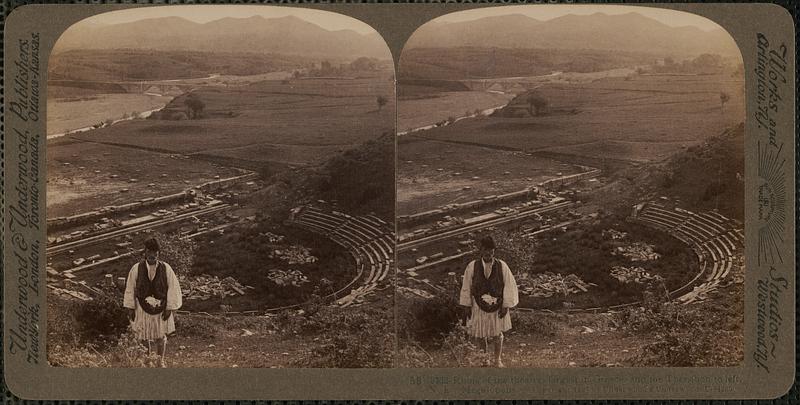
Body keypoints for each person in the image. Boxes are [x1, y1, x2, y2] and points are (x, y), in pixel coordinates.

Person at [459, 235, 519, 367]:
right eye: (485, 250)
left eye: (491, 250)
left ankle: (497, 360)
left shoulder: (502, 266)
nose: (488, 253)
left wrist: (506, 305)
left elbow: (509, 285)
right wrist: (467, 305)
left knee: (497, 333)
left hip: (496, 305)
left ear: (494, 251)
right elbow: (466, 286)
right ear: (481, 250)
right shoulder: (472, 266)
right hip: (478, 305)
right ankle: (484, 359)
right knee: (481, 334)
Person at [123, 237, 182, 367]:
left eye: (155, 253)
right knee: (144, 337)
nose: (152, 255)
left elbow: (173, 287)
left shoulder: (166, 268)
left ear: (158, 254)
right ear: (145, 252)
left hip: (161, 308)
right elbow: (130, 288)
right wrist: (130, 308)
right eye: (149, 252)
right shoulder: (136, 269)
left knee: (160, 337)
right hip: (142, 308)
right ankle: (148, 361)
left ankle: (160, 361)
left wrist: (169, 308)